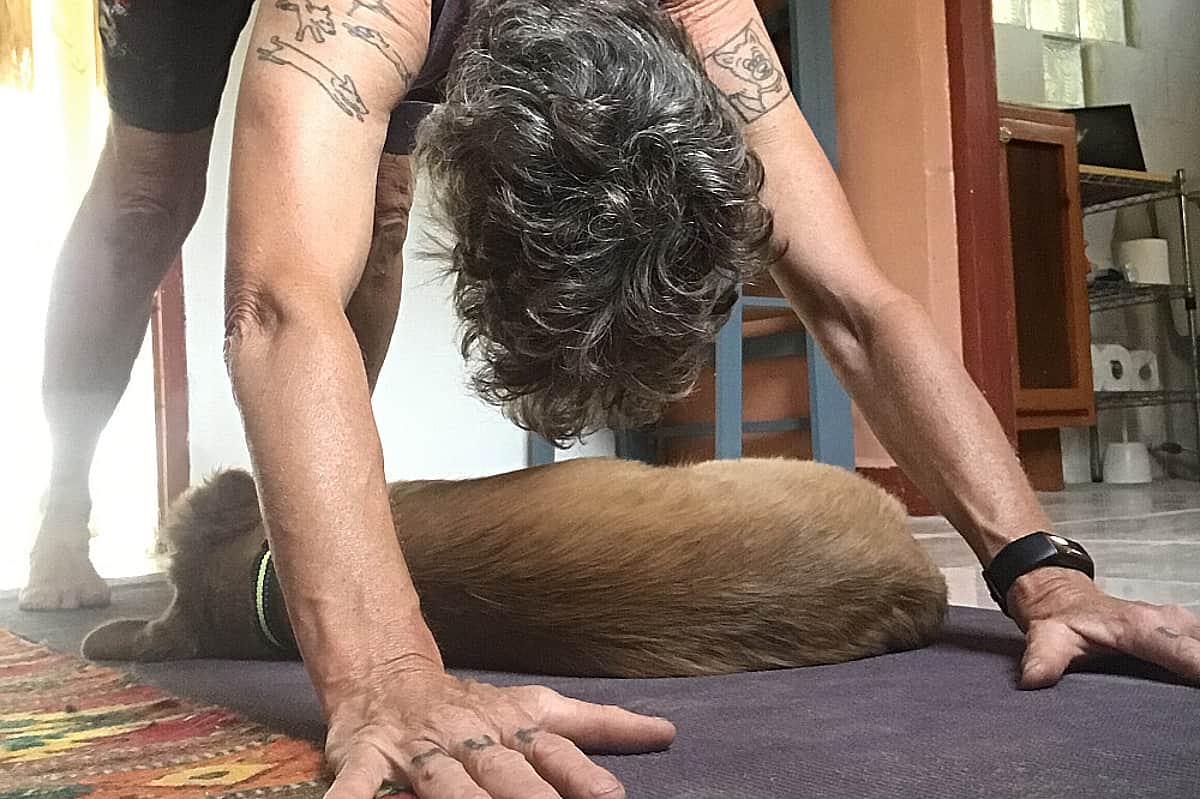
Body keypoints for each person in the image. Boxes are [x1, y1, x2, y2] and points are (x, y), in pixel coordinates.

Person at [34, 1, 1200, 797]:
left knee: (374, 219)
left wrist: (1043, 568)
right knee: (151, 194)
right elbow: (279, 302)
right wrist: (389, 677)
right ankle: (63, 499)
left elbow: (852, 300)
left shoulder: (700, 16)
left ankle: (328, 536)